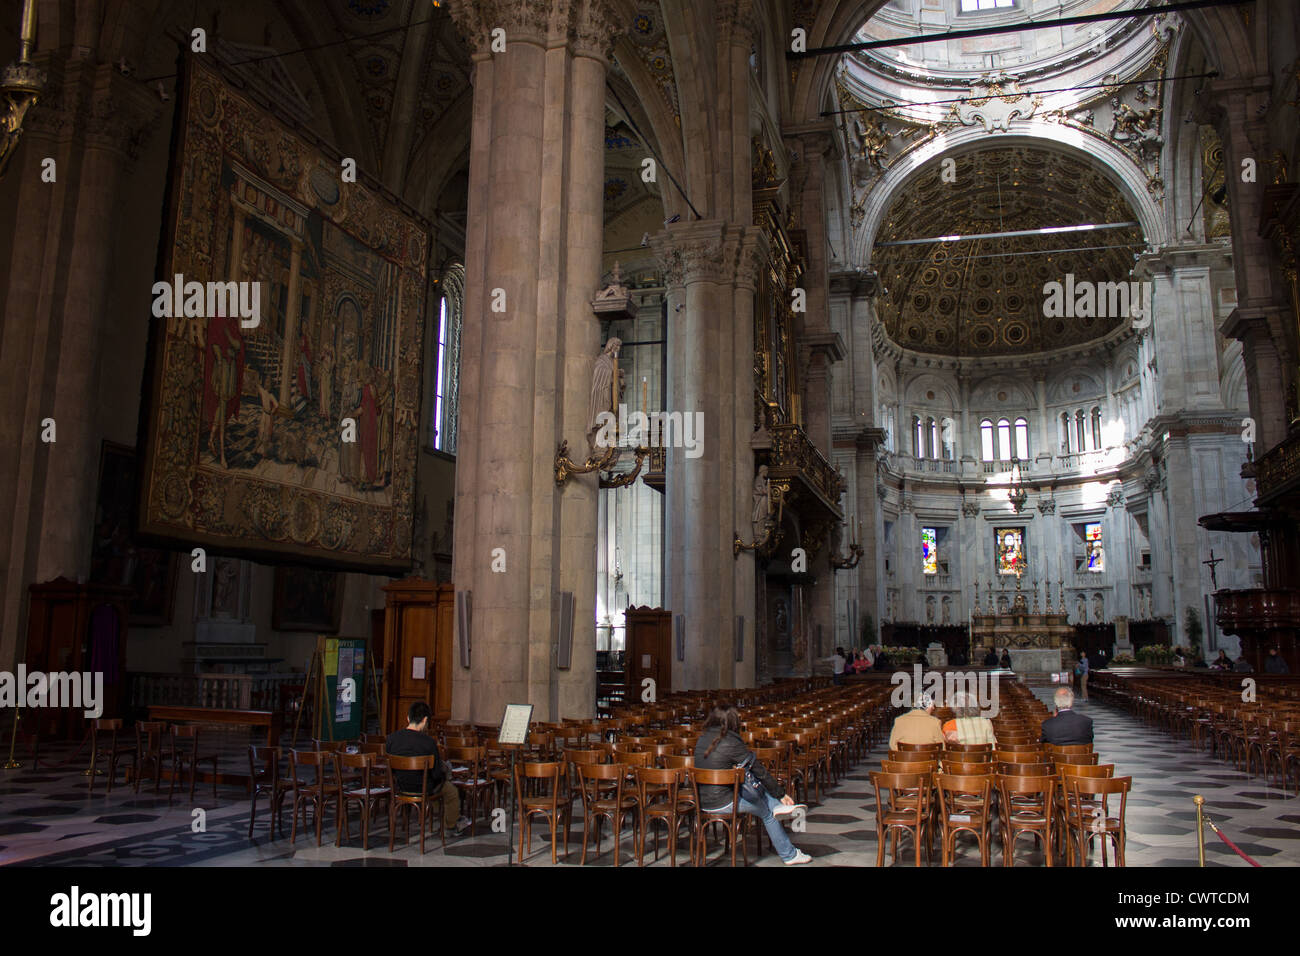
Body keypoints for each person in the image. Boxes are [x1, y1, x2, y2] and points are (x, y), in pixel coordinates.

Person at [694, 701, 811, 865]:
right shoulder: (731, 741)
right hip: (725, 802)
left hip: (702, 802)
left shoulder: (701, 740)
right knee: (767, 813)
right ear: (733, 721)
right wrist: (781, 793)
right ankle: (790, 855)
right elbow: (759, 770)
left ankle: (777, 805)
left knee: (752, 785)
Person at [385, 702, 472, 836]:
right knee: (451, 792)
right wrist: (446, 774)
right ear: (425, 720)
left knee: (438, 788)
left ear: (408, 718)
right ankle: (451, 826)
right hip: (425, 788)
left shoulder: (392, 739)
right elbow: (436, 774)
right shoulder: (429, 742)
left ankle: (442, 816)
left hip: (401, 787)